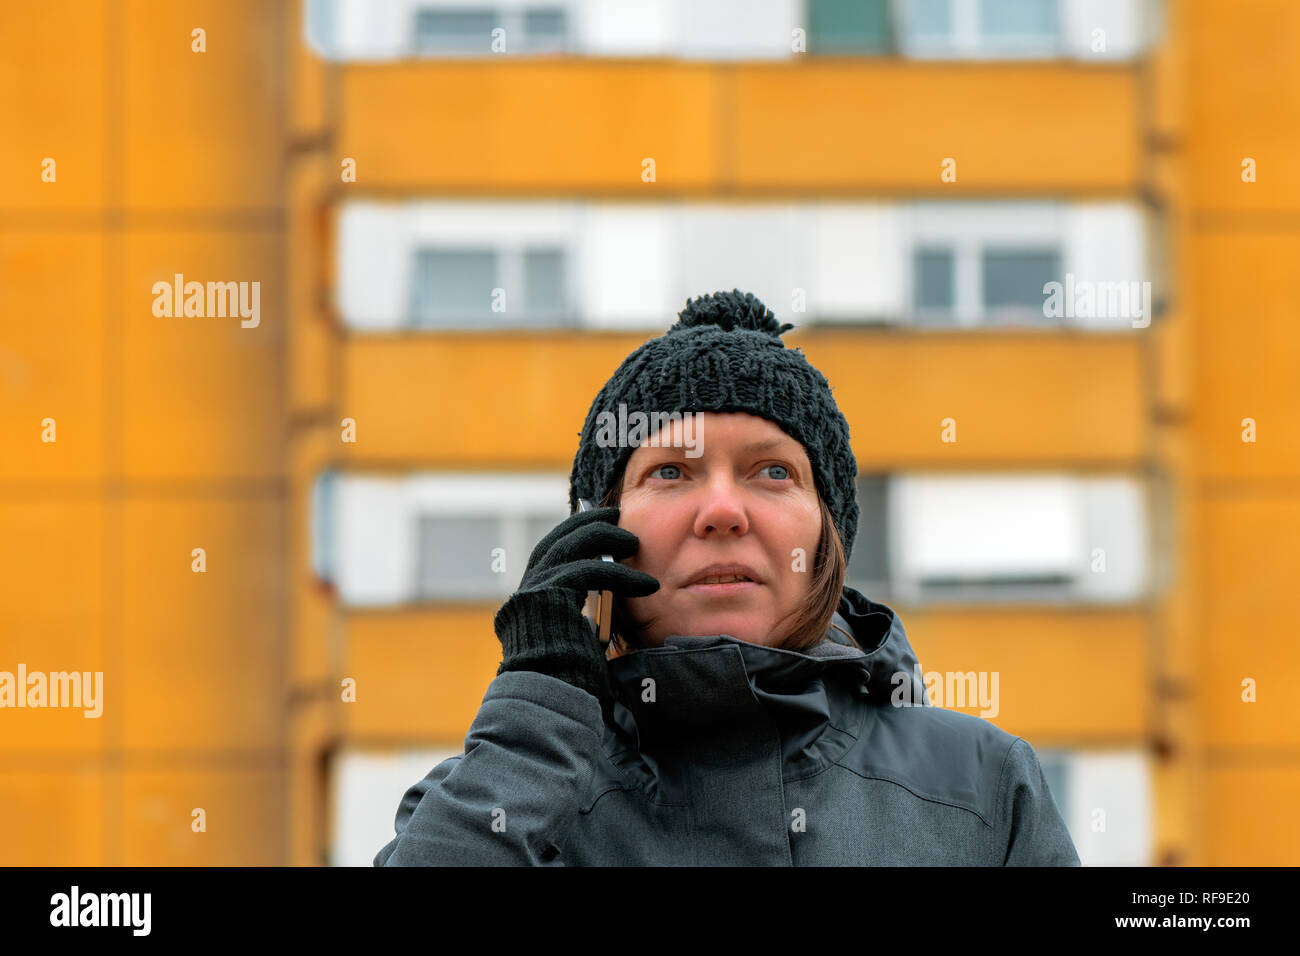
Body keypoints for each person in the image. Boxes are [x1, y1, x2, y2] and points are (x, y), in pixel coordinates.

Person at [374, 289, 1081, 866]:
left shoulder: (985, 787)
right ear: (600, 538)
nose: (721, 510)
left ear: (826, 536)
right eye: (671, 472)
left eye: (773, 471)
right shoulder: (490, 798)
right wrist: (535, 715)